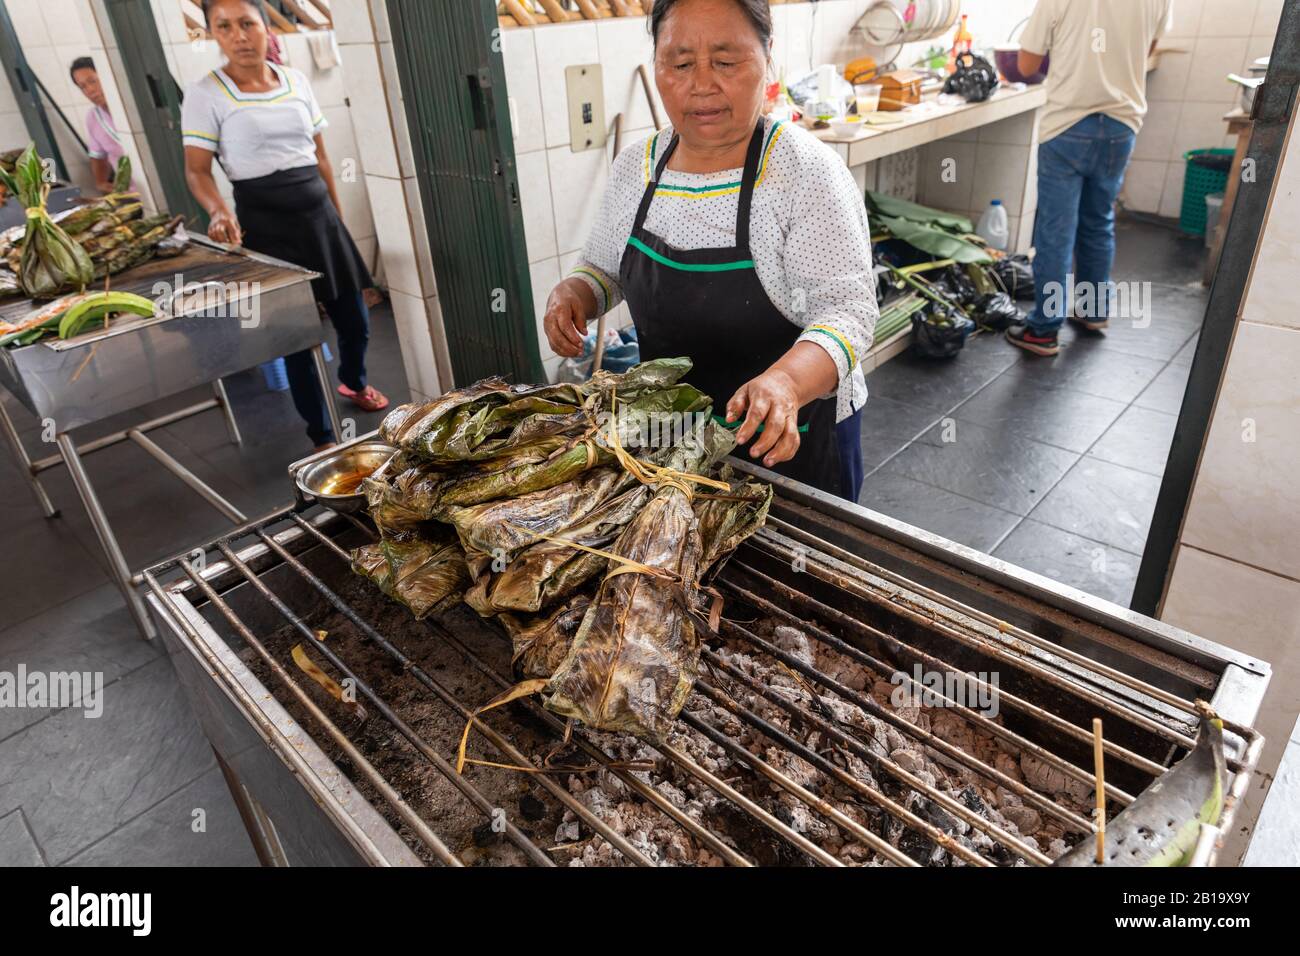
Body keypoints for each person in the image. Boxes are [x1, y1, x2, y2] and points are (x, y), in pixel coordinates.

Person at [543, 0, 876, 499]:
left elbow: (848, 312)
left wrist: (785, 383)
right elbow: (604, 268)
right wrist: (575, 293)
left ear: (768, 56)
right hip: (676, 436)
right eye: (679, 64)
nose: (701, 85)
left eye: (725, 62)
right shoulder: (637, 168)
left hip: (791, 442)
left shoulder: (805, 172)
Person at [180, 0, 387, 451]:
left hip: (320, 219)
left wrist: (336, 213)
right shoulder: (205, 93)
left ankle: (352, 381)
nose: (239, 35)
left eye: (247, 23)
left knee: (355, 321)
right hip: (266, 225)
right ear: (214, 33)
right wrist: (218, 210)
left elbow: (322, 155)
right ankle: (323, 435)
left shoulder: (294, 80)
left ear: (263, 27)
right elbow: (196, 170)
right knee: (296, 338)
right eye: (225, 26)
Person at [1007, 0, 1174, 357]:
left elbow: (1025, 64)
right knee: (1099, 221)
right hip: (1122, 124)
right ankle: (1093, 311)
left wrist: (1066, 53)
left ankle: (1043, 330)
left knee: (1056, 231)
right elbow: (1148, 47)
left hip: (1067, 124)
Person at [69, 57, 138, 195]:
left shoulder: (134, 104)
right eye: (83, 86)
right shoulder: (93, 118)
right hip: (133, 195)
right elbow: (97, 156)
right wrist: (101, 183)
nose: (90, 90)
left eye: (92, 81)